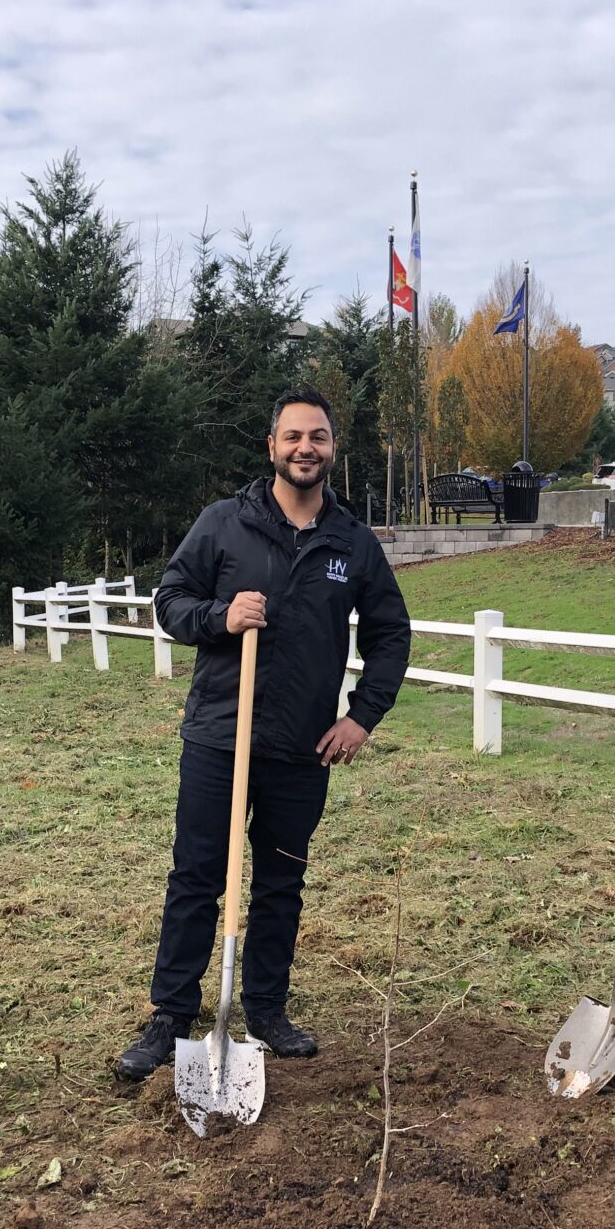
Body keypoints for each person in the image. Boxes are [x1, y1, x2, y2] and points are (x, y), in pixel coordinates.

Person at [116, 386, 413, 1080]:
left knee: (281, 880)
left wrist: (361, 716)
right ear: (272, 446)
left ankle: (267, 1010)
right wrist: (221, 617)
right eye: (293, 437)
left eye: (318, 437)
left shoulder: (351, 541)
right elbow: (169, 601)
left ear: (332, 448)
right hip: (221, 736)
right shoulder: (225, 523)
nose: (305, 448)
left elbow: (390, 634)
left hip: (302, 746)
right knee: (196, 877)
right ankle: (171, 1015)